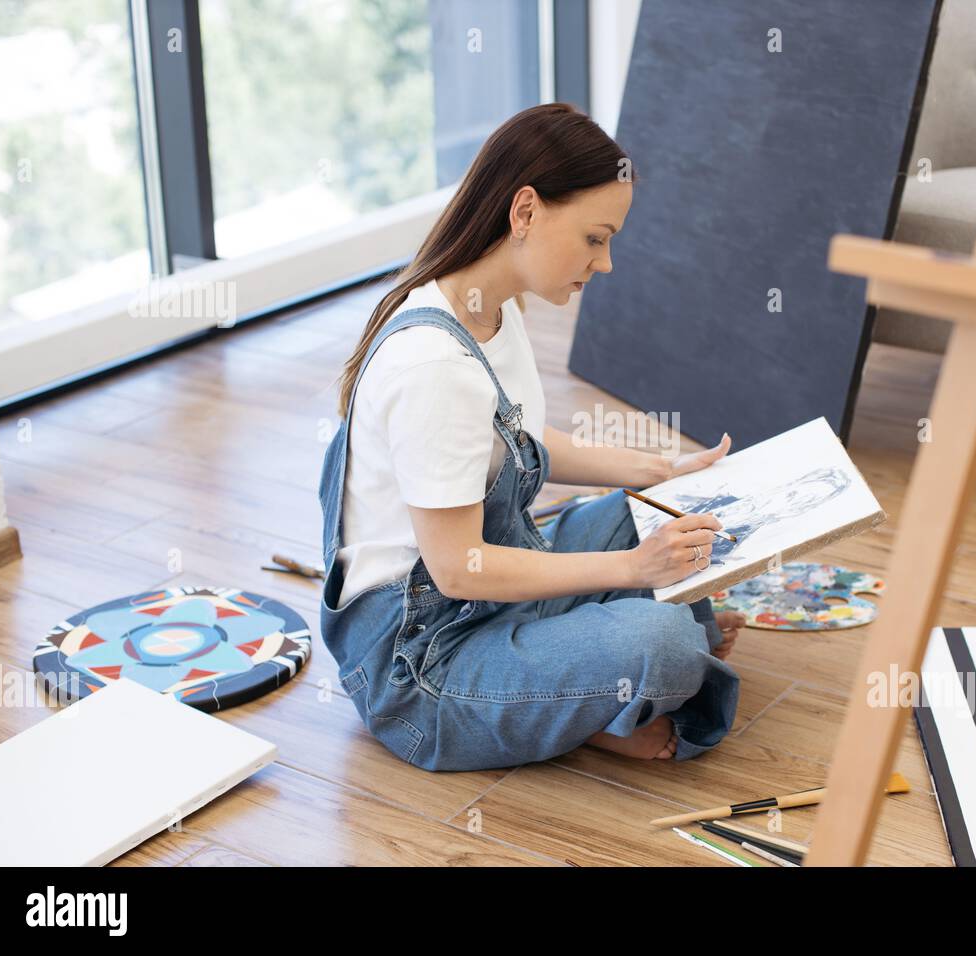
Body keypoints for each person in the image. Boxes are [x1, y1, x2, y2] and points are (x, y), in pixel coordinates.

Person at [318, 103, 744, 772]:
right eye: (595, 238)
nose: (605, 263)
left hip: (483, 603)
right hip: (424, 666)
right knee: (663, 640)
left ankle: (579, 690)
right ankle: (590, 704)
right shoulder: (433, 366)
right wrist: (631, 572)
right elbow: (460, 568)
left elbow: (519, 439)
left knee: (650, 518)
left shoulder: (489, 307)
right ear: (525, 212)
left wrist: (661, 471)